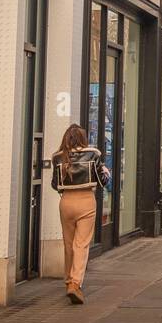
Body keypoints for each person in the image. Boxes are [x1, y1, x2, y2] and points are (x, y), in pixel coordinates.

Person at [50, 124, 108, 305]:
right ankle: (75, 283)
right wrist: (106, 173)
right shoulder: (93, 154)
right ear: (83, 138)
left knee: (68, 243)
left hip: (66, 201)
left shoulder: (58, 157)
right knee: (81, 244)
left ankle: (68, 280)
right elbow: (101, 181)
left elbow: (55, 184)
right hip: (86, 201)